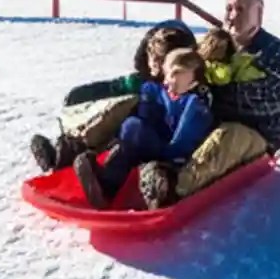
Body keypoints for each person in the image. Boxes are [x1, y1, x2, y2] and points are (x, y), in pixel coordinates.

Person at [138, 0, 280, 208]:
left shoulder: (276, 52)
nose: (232, 15)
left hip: (255, 132)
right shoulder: (214, 45)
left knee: (227, 136)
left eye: (240, 9)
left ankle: (172, 187)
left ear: (258, 14)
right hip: (203, 118)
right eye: (229, 8)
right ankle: (111, 159)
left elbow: (269, 98)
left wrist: (208, 90)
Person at [29, 20, 196, 173]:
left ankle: (85, 160)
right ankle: (62, 153)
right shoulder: (141, 81)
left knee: (123, 119)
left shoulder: (187, 88)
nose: (154, 64)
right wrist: (81, 94)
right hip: (123, 135)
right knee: (109, 115)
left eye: (160, 60)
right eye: (151, 56)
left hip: (149, 142)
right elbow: (115, 87)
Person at [73, 48, 214, 209]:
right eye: (167, 73)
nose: (168, 79)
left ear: (194, 80)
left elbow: (183, 141)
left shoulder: (196, 104)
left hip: (173, 158)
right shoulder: (156, 91)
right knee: (124, 147)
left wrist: (166, 157)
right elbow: (138, 107)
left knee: (144, 148)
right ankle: (104, 187)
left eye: (176, 73)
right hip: (149, 145)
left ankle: (160, 190)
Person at [196, 27, 266, 86]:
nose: (221, 51)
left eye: (224, 47)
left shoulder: (233, 61)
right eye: (218, 47)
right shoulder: (198, 59)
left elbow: (223, 78)